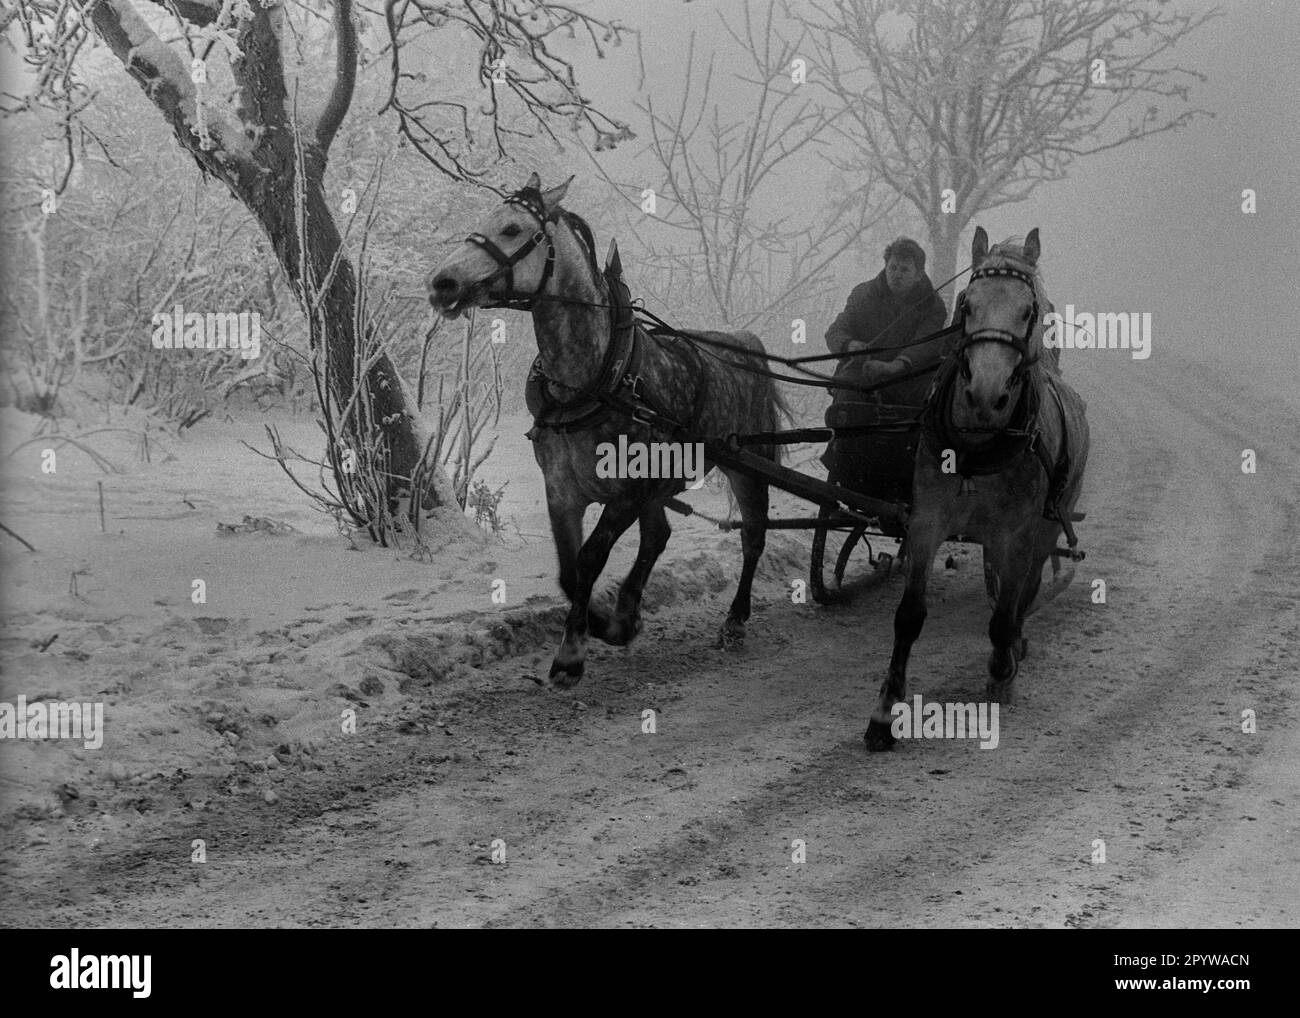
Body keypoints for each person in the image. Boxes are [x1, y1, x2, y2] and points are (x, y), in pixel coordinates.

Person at [824, 237, 949, 406]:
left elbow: (925, 345)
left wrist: (895, 366)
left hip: (912, 379)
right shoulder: (862, 295)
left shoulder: (933, 305)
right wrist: (850, 345)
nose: (896, 274)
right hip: (861, 373)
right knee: (846, 404)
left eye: (904, 270)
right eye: (893, 267)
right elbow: (836, 331)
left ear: (919, 274)